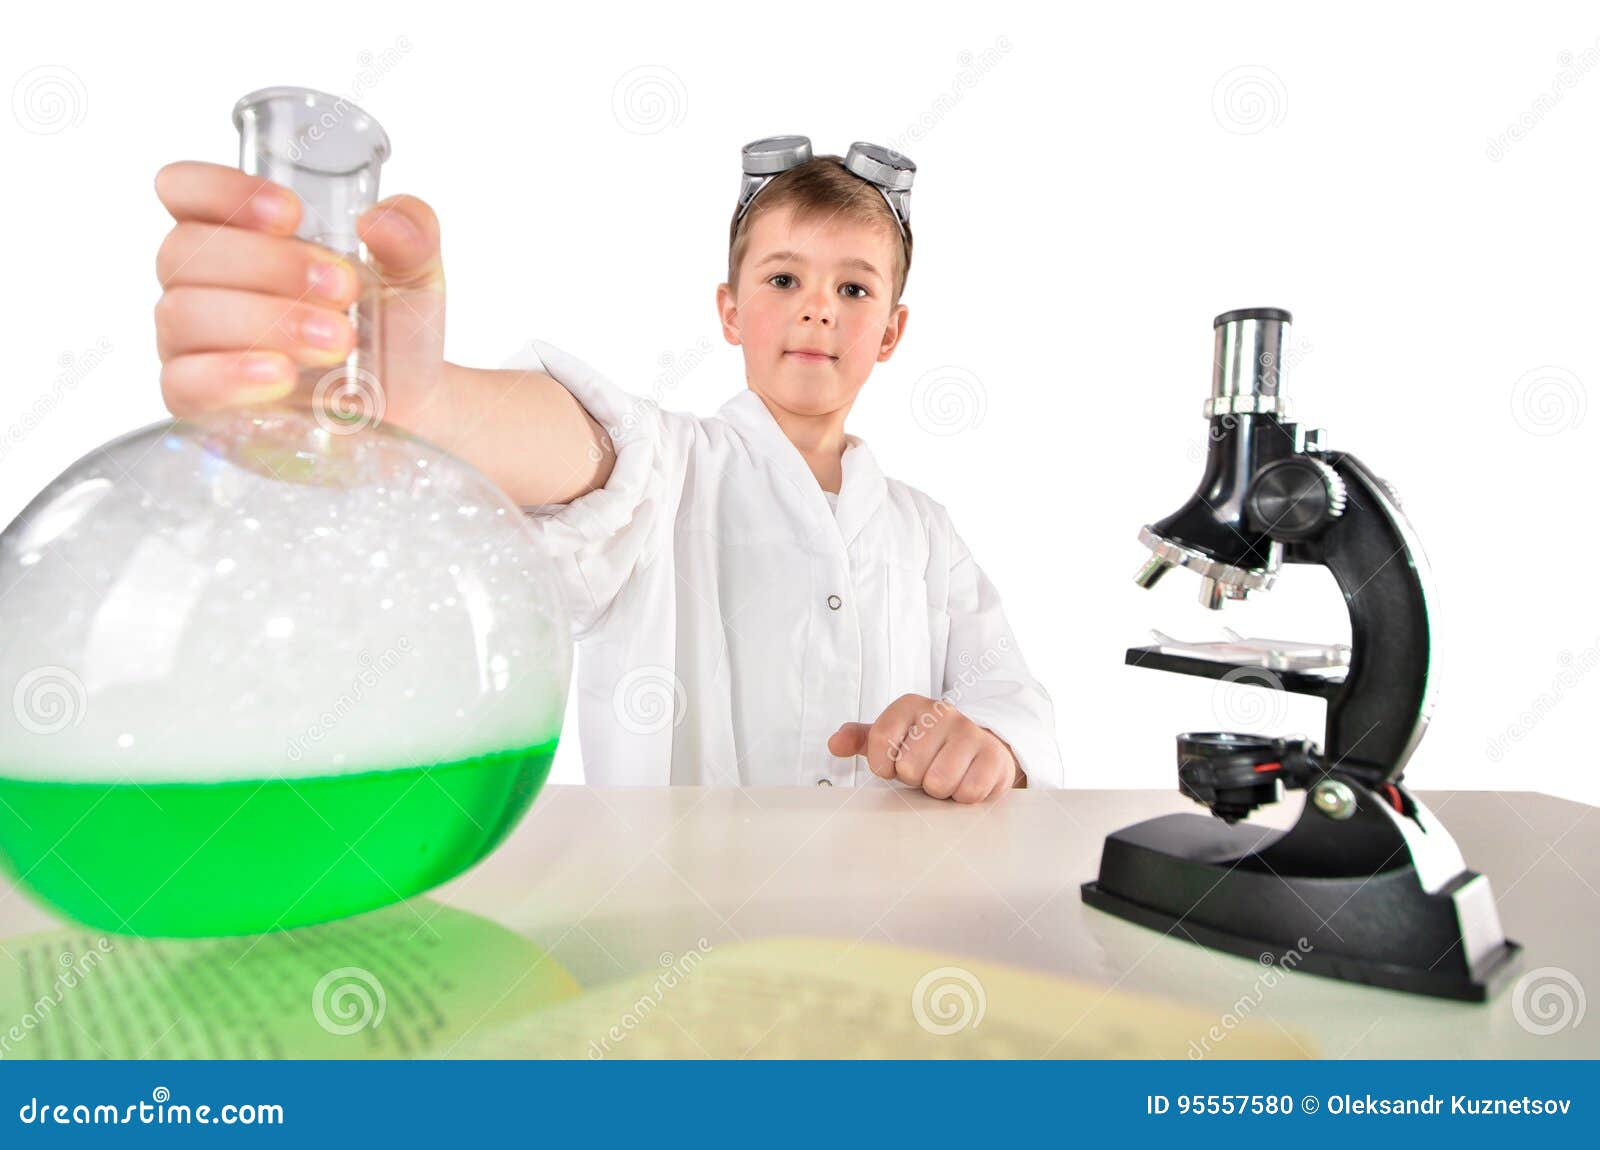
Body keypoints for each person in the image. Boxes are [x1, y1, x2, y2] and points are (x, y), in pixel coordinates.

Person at [150, 140, 1063, 802]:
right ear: (731, 311)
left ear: (892, 332)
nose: (818, 310)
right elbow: (591, 451)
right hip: (683, 950)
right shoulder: (670, 469)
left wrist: (982, 744)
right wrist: (427, 407)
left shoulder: (926, 534)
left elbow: (1008, 694)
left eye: (854, 288)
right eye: (784, 280)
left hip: (885, 947)